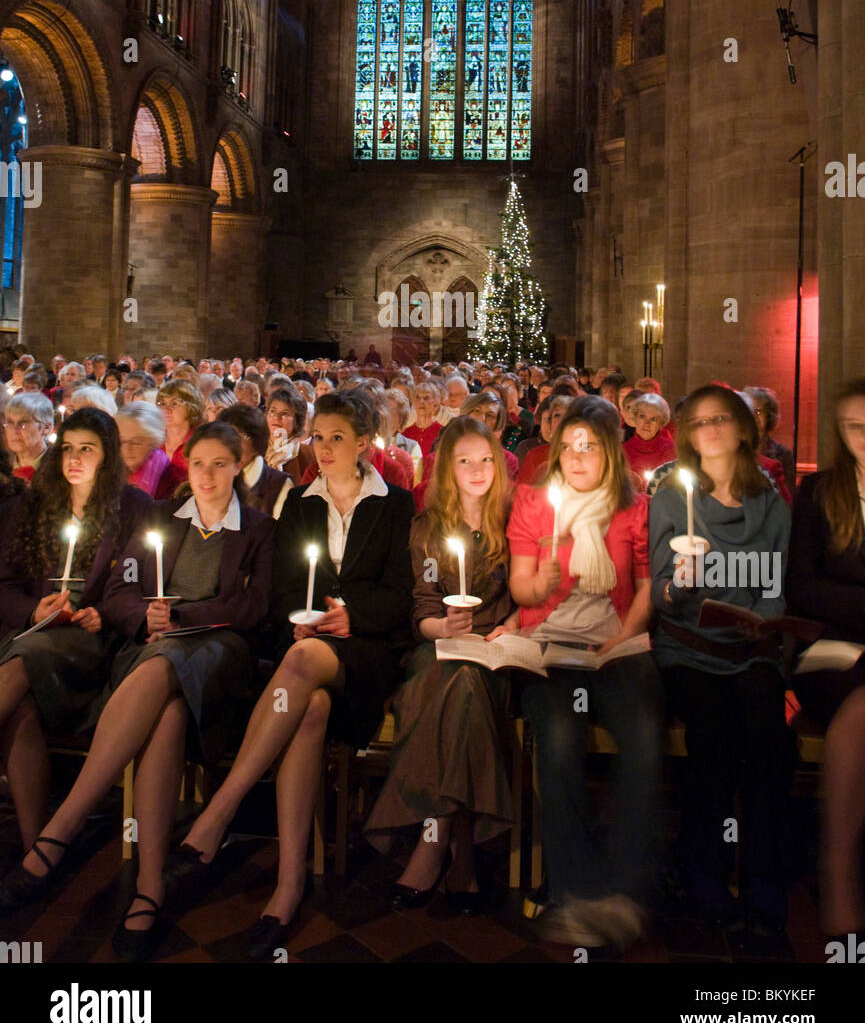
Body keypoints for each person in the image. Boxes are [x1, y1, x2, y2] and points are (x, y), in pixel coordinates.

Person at [0, 422, 275, 959]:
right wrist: (142, 614)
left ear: (237, 466)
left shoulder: (260, 527)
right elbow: (123, 590)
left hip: (220, 652)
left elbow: (256, 605)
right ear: (186, 466)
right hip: (155, 650)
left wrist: (186, 615)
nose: (207, 474)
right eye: (198, 463)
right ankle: (150, 888)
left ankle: (59, 831)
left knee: (161, 668)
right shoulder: (161, 518)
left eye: (220, 463)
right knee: (166, 712)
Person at [165, 390, 414, 959]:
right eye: (317, 437)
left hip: (368, 652)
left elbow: (399, 594)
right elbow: (280, 594)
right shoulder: (299, 503)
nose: (322, 449)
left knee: (302, 666)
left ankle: (220, 810)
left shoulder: (395, 504)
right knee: (310, 711)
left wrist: (353, 617)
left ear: (364, 444)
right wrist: (297, 624)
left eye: (336, 438)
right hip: (308, 650)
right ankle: (288, 884)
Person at [508, 395, 664, 949]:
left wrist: (623, 638)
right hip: (551, 646)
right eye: (568, 446)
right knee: (556, 736)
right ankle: (577, 889)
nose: (576, 458)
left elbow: (645, 588)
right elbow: (520, 589)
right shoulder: (533, 503)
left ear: (610, 455)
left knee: (644, 736)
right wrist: (543, 582)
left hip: (616, 646)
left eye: (590, 447)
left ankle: (624, 886)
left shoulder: (634, 507)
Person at [649, 385, 793, 935]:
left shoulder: (770, 503)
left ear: (743, 429)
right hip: (690, 649)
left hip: (752, 650)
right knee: (710, 737)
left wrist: (764, 618)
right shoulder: (672, 498)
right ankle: (703, 866)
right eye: (698, 421)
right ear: (687, 434)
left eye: (720, 419)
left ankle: (761, 873)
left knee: (767, 738)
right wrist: (680, 587)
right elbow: (664, 590)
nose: (708, 429)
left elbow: (776, 586)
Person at [365, 417, 518, 910]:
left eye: (486, 459)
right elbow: (421, 612)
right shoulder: (428, 527)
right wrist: (444, 629)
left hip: (499, 652)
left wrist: (512, 626)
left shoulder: (516, 518)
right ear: (447, 469)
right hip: (438, 653)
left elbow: (532, 596)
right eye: (464, 460)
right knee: (458, 684)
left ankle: (433, 839)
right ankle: (462, 853)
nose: (477, 470)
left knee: (470, 683)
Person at [0, 409, 151, 857]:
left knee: (23, 660)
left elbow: (134, 581)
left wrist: (99, 612)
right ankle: (38, 849)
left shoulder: (132, 507)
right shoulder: (32, 505)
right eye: (68, 448)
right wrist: (33, 611)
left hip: (89, 643)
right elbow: (4, 585)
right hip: (31, 632)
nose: (74, 458)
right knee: (20, 705)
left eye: (87, 448)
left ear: (106, 456)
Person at [785, 379, 865, 938]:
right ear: (840, 432)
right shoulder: (819, 494)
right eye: (856, 427)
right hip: (830, 651)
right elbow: (803, 587)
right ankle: (837, 869)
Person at [220, 403, 292, 519]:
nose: (230, 444)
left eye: (239, 436)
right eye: (224, 436)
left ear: (256, 442)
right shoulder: (215, 477)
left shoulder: (278, 485)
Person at [116, 403, 180, 498]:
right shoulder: (109, 472)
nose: (127, 449)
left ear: (153, 442)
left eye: (136, 442)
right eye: (121, 441)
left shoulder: (175, 479)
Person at [155, 378, 205, 497]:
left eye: (174, 403)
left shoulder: (201, 443)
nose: (166, 409)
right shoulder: (154, 441)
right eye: (162, 403)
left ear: (191, 407)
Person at [744, 387, 796, 494]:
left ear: (769, 416)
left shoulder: (783, 455)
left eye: (758, 411)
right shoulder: (734, 449)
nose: (754, 416)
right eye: (749, 410)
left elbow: (788, 496)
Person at [264, 386, 317, 484]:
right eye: (272, 411)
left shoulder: (309, 454)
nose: (276, 417)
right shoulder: (255, 450)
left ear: (297, 420)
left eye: (284, 413)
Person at [3, 392, 54, 482]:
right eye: (10, 422)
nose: (15, 430)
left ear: (46, 427)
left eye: (23, 423)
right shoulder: (3, 467)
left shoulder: (59, 468)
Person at [623, 394, 676, 479]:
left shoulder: (671, 450)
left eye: (653, 419)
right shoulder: (623, 451)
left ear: (661, 423)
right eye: (642, 416)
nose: (646, 423)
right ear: (634, 418)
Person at [402, 381, 444, 460]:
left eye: (426, 398)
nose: (421, 401)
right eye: (417, 397)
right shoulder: (405, 435)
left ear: (435, 404)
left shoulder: (443, 434)